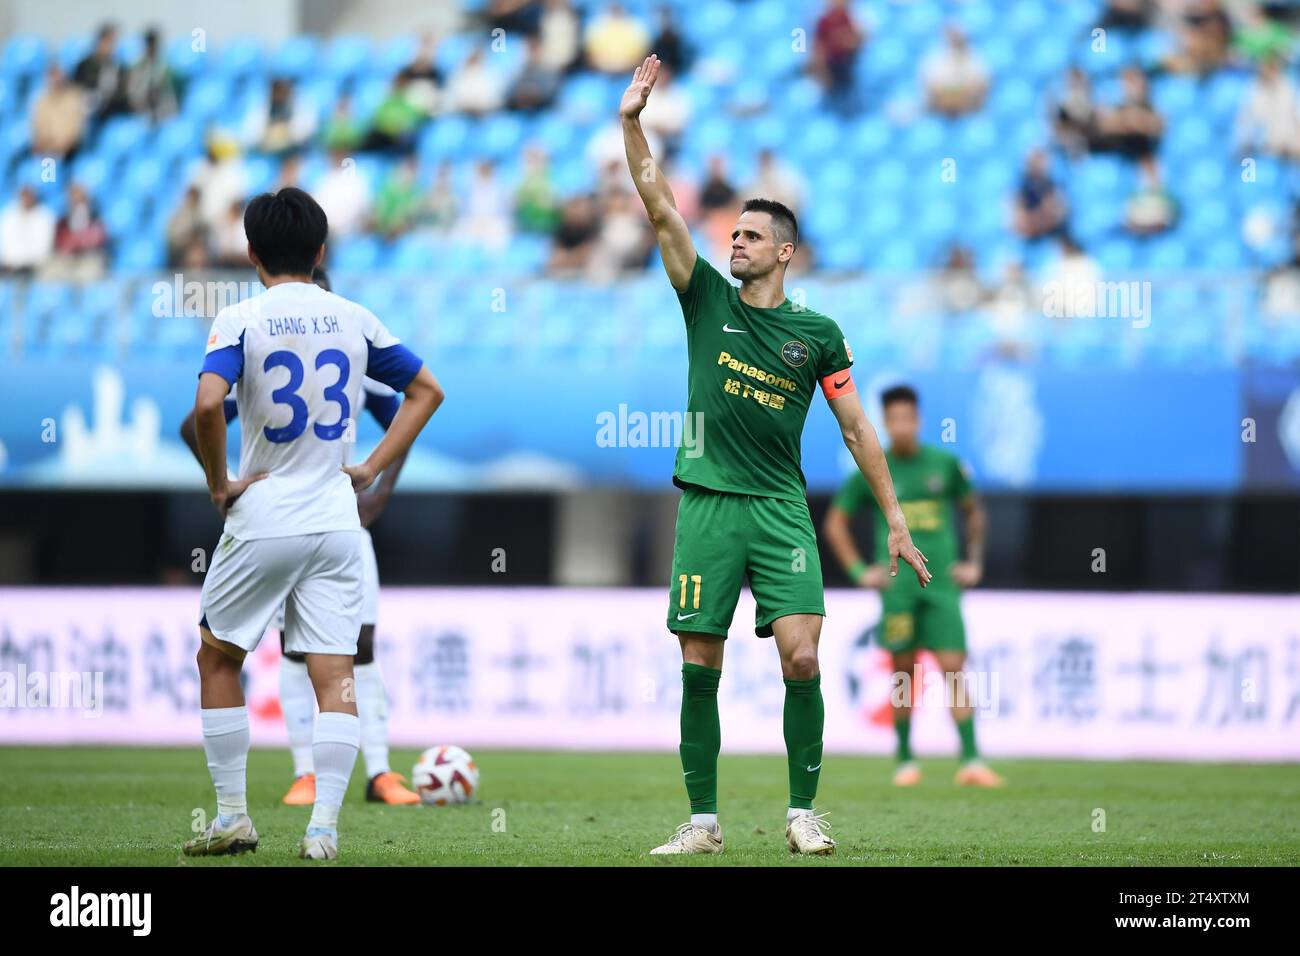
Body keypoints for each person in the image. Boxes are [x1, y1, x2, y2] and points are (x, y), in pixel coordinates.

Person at [621, 54, 929, 857]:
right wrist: (632, 125)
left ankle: (802, 812)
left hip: (781, 506)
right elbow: (658, 207)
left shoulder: (817, 334)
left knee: (801, 655)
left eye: (753, 236)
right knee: (699, 662)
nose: (737, 244)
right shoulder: (704, 299)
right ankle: (701, 822)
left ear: (785, 252)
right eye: (734, 234)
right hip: (708, 502)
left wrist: (893, 519)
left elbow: (858, 429)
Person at [182, 187, 443, 860]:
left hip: (264, 514)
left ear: (250, 252)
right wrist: (373, 468)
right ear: (323, 250)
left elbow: (208, 407)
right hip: (337, 520)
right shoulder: (355, 317)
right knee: (339, 675)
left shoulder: (240, 318)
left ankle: (234, 817)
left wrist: (220, 484)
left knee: (219, 656)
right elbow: (427, 391)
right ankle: (323, 831)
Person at [822, 385, 1003, 789]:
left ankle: (971, 759)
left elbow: (974, 514)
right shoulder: (871, 470)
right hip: (897, 588)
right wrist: (857, 572)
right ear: (885, 423)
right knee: (903, 671)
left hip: (942, 588)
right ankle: (905, 759)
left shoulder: (945, 465)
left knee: (954, 667)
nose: (902, 426)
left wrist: (974, 563)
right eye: (894, 419)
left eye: (908, 418)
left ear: (918, 420)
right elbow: (835, 524)